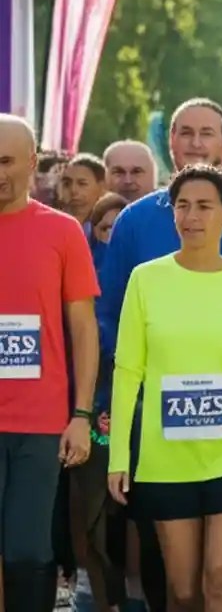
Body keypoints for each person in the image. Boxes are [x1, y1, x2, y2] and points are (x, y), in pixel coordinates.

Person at [99, 98, 222, 612]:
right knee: (183, 590)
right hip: (167, 456)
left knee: (219, 578)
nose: (191, 217)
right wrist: (121, 455)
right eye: (182, 206)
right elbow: (128, 372)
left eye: (205, 206)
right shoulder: (146, 280)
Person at [0, 115, 99, 610]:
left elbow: (83, 330)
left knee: (27, 549)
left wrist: (81, 415)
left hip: (40, 424)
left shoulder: (61, 232)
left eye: (6, 161)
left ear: (33, 165)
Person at [60, 153, 107, 225]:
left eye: (82, 184)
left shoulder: (114, 224)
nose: (73, 190)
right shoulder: (51, 223)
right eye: (67, 184)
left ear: (102, 187)